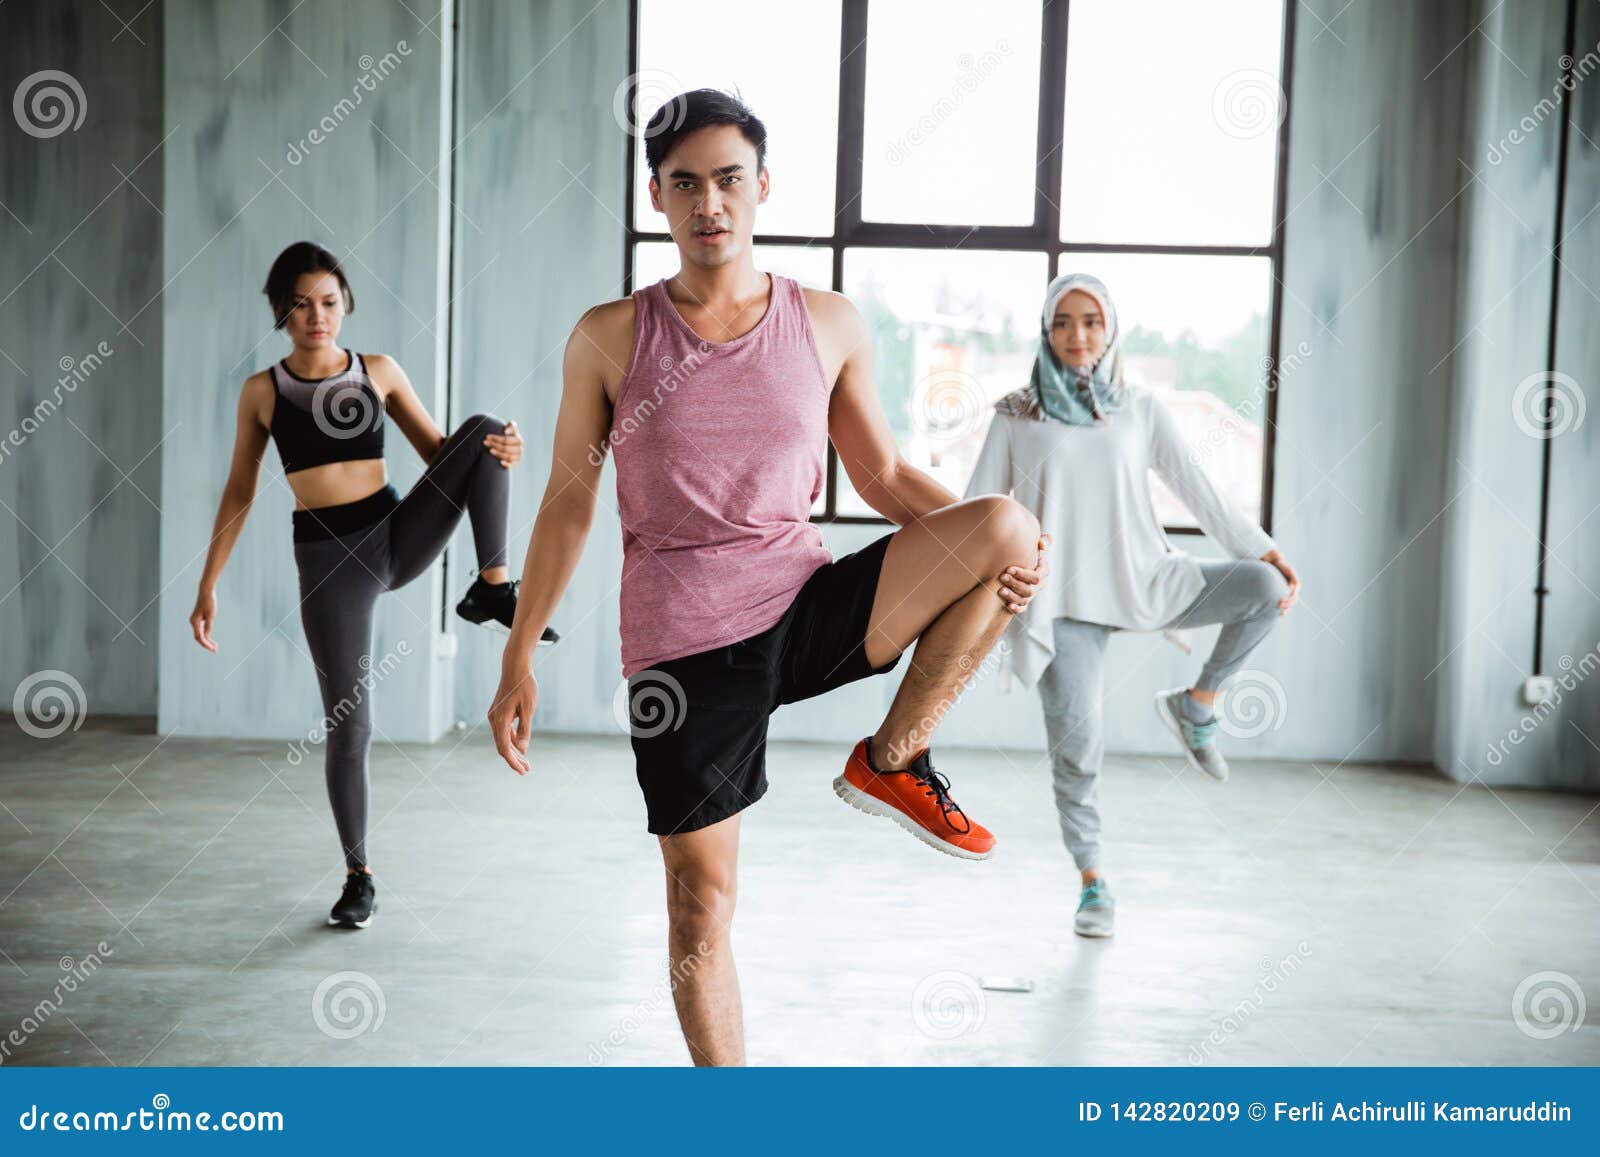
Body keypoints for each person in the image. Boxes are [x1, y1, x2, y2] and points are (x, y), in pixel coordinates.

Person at [485, 90, 1049, 1065]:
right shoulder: (609, 337)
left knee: (1005, 524)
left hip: (804, 602)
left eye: (730, 179)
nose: (711, 201)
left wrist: (993, 556)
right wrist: (519, 650)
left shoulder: (825, 322)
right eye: (687, 182)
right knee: (701, 906)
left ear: (762, 187)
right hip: (683, 649)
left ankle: (893, 758)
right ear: (657, 192)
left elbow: (879, 475)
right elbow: (568, 502)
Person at [188, 240, 557, 929]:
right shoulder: (263, 392)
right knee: (350, 726)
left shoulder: (379, 371)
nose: (316, 316)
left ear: (345, 305)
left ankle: (492, 587)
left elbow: (442, 452)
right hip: (329, 565)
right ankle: (358, 873)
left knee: (482, 431)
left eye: (328, 302)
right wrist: (209, 582)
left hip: (392, 537)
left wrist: (501, 452)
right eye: (300, 305)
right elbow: (240, 488)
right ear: (280, 312)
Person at [966, 271, 1300, 939]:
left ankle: (1196, 704)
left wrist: (1263, 551)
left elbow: (1198, 489)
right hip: (1060, 601)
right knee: (1079, 744)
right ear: (1045, 330)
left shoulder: (1139, 410)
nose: (1077, 334)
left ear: (1110, 328)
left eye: (1091, 320)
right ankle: (1092, 880)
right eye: (1063, 321)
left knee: (1265, 592)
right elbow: (976, 509)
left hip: (1144, 577)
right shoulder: (1015, 414)